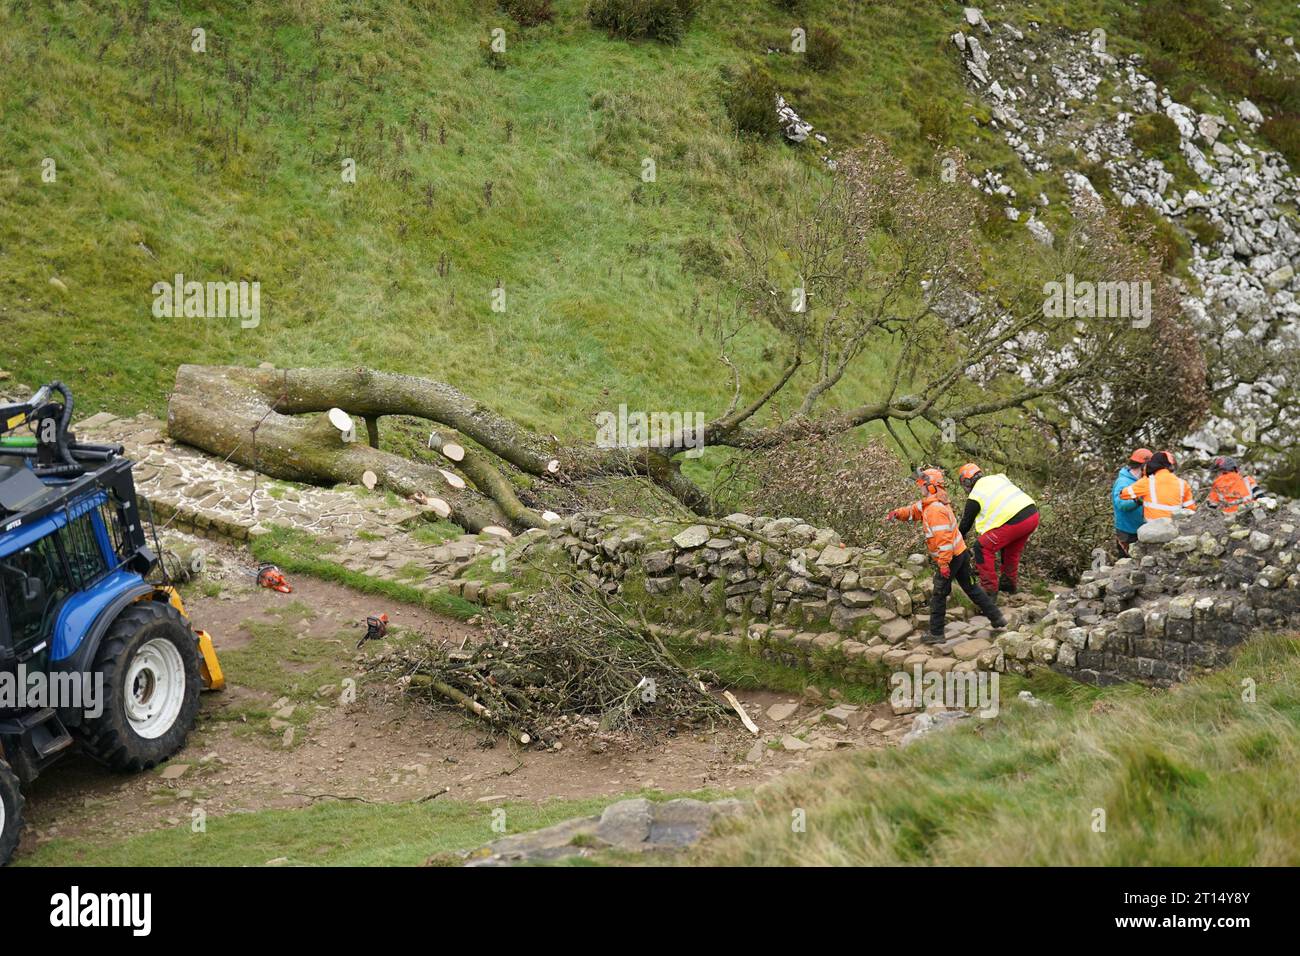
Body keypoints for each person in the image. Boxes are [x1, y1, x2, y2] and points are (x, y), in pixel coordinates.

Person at [886, 467, 1005, 644]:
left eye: (922, 484)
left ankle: (936, 633)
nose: (920, 487)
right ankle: (997, 618)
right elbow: (913, 511)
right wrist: (898, 513)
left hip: (950, 557)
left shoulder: (935, 510)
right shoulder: (933, 502)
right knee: (972, 588)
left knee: (939, 593)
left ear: (932, 486)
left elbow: (944, 540)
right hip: (960, 553)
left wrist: (943, 564)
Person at [956, 462, 1039, 597]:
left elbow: (966, 522)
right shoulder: (999, 477)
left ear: (966, 481)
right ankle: (1008, 584)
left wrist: (959, 536)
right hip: (1032, 514)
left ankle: (989, 590)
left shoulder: (975, 495)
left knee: (982, 547)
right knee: (1010, 550)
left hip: (1016, 520)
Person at [1119, 449, 1196, 519]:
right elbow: (1190, 509)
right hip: (1174, 529)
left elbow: (1123, 494)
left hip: (1152, 529)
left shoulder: (1148, 481)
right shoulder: (1182, 483)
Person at [1112, 447, 1153, 556]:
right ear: (1143, 466)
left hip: (1140, 529)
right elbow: (1121, 504)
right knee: (1126, 562)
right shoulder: (1123, 482)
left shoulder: (1143, 481)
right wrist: (1138, 501)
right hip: (1127, 533)